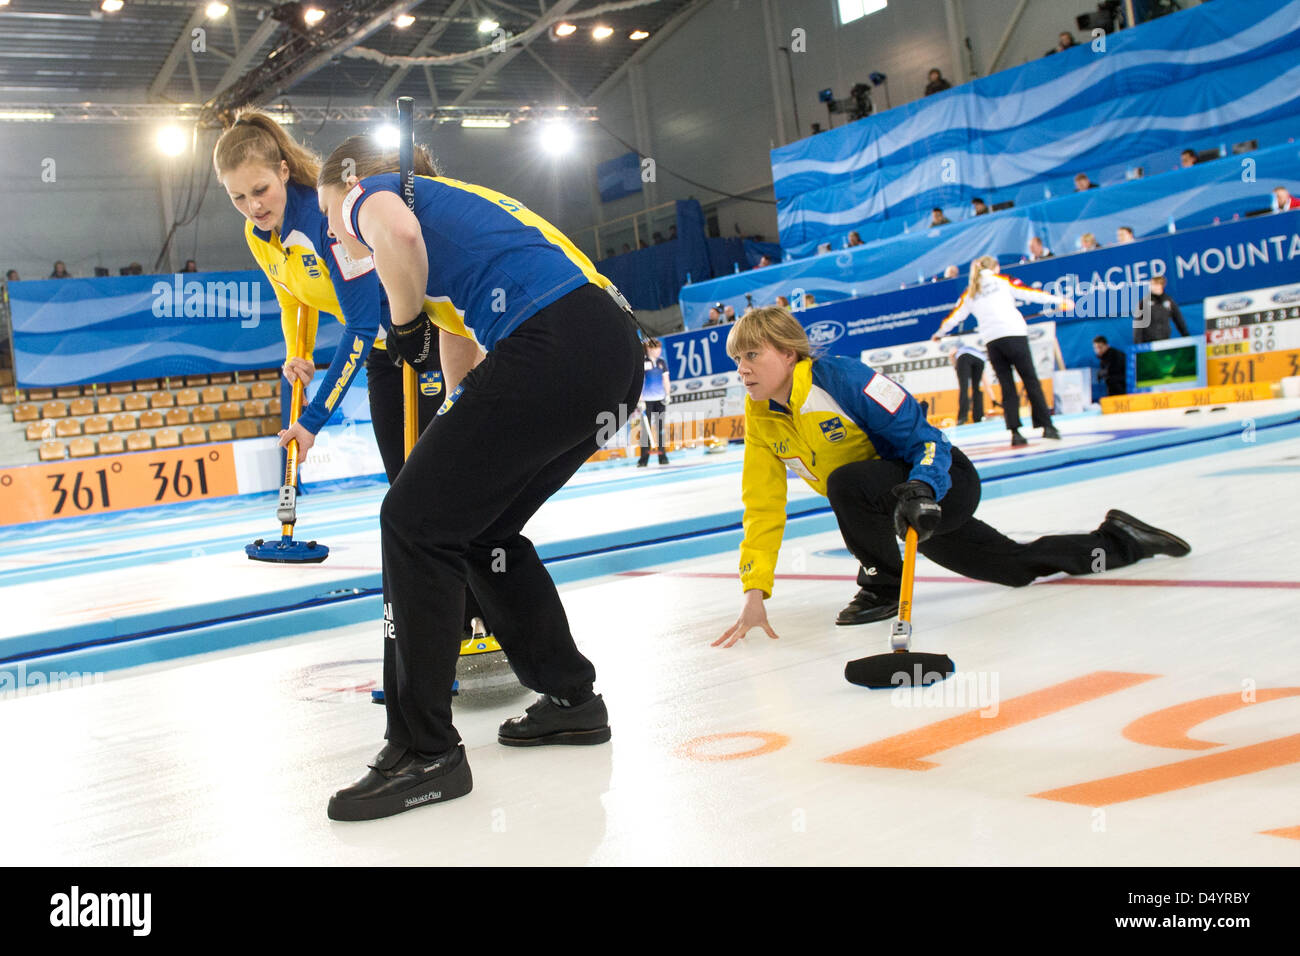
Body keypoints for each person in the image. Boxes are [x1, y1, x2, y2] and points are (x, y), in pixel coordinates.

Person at [316, 134, 643, 820]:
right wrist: (445, 442)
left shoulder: (379, 195)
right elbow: (464, 353)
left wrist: (402, 327)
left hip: (553, 342)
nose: (332, 229)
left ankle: (424, 752)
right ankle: (570, 700)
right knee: (477, 531)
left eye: (328, 211)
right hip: (606, 351)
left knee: (410, 522)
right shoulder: (464, 210)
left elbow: (396, 235)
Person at [214, 111, 495, 703]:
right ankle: (453, 627)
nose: (252, 206)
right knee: (408, 494)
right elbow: (291, 292)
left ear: (284, 172)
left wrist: (313, 420)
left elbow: (363, 325)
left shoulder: (324, 220)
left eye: (260, 191)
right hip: (379, 350)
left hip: (409, 337)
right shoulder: (257, 233)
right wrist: (297, 352)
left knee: (432, 492)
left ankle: (475, 620)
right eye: (237, 197)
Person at [713, 307, 1190, 640]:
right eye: (737, 359)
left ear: (789, 354)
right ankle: (1121, 539)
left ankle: (881, 582)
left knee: (845, 483)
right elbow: (762, 505)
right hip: (894, 503)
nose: (742, 369)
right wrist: (755, 592)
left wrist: (921, 489)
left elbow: (926, 440)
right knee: (1013, 568)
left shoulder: (842, 379)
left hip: (941, 483)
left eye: (752, 355)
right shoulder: (761, 422)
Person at [932, 256, 1071, 446]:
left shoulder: (971, 291)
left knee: (1007, 386)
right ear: (995, 267)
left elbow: (954, 318)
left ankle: (1015, 432)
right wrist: (1059, 300)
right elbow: (1031, 294)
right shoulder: (1003, 280)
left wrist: (939, 333)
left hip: (993, 342)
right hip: (1014, 335)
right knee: (1030, 380)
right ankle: (1047, 427)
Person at [637, 338, 671, 467]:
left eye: (659, 348)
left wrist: (668, 394)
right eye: (656, 348)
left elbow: (666, 379)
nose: (658, 351)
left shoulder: (662, 362)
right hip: (647, 401)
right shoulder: (643, 362)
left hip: (660, 400)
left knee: (660, 428)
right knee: (646, 430)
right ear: (649, 349)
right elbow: (640, 382)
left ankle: (663, 456)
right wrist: (640, 400)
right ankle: (643, 459)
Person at [1134, 274, 1188, 343]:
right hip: (1149, 342)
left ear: (1162, 285)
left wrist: (1186, 336)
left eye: (1156, 285)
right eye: (1152, 285)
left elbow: (1179, 320)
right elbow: (1138, 325)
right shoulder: (1143, 302)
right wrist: (1138, 344)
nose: (1153, 287)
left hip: (1165, 340)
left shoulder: (1169, 301)